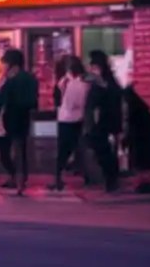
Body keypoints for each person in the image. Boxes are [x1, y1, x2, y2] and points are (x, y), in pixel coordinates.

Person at [0, 48, 37, 196]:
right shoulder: (30, 79)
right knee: (19, 151)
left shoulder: (11, 80)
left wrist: (3, 81)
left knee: (8, 150)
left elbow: (0, 97)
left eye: (5, 63)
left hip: (11, 119)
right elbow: (33, 102)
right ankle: (20, 180)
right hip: (23, 119)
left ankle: (17, 179)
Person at [85, 50, 122, 192]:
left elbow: (99, 102)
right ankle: (110, 179)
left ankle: (111, 179)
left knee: (105, 151)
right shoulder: (106, 82)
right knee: (104, 151)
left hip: (104, 123)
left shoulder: (105, 82)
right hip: (103, 122)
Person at [51, 56, 90, 191]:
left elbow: (58, 101)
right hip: (77, 117)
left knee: (65, 149)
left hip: (66, 118)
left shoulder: (64, 82)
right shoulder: (80, 82)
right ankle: (83, 174)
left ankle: (59, 177)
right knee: (76, 147)